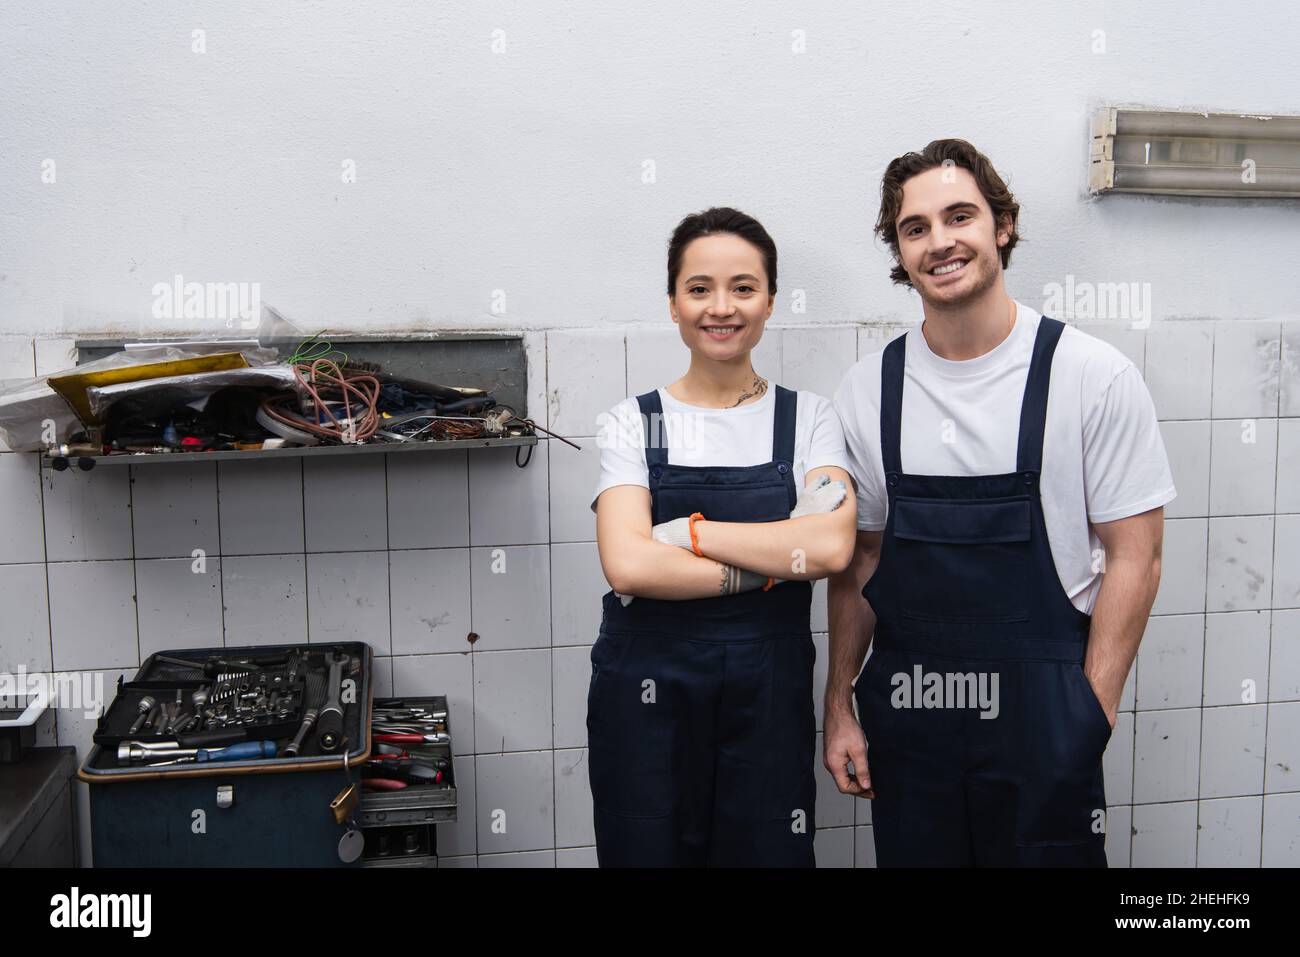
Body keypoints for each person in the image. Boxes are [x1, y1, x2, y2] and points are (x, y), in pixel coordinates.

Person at [825, 140, 1175, 866]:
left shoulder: (1092, 376)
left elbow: (1136, 555)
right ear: (898, 249)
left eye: (961, 216)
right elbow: (861, 558)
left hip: (1044, 721)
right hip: (910, 719)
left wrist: (1090, 714)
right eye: (915, 227)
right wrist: (837, 706)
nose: (940, 241)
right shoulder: (867, 390)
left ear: (1002, 226)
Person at [588, 207, 857, 867]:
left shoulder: (811, 420)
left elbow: (828, 549)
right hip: (646, 692)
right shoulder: (633, 422)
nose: (721, 307)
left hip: (768, 692)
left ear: (769, 301)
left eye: (743, 287)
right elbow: (628, 565)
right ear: (674, 305)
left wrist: (689, 533)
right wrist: (772, 567)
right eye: (699, 288)